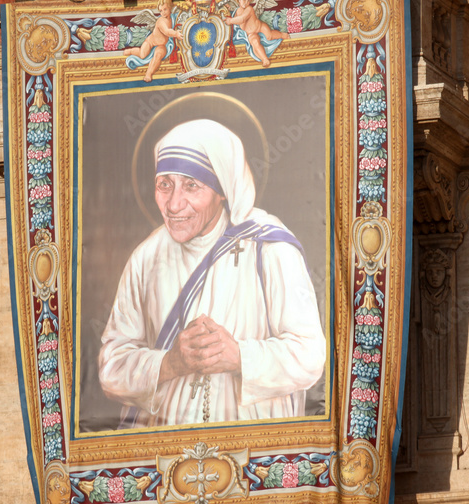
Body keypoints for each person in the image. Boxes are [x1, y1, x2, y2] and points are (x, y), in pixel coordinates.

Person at [98, 119, 326, 428]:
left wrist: (239, 357)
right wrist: (169, 363)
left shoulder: (269, 246)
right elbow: (111, 368)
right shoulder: (145, 258)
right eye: (165, 184)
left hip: (255, 449)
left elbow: (310, 355)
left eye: (192, 185)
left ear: (222, 190)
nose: (174, 204)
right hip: (166, 454)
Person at [123, 0, 184, 82]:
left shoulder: (173, 18)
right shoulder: (161, 21)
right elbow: (167, 31)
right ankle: (131, 51)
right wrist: (176, 34)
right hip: (150, 42)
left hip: (162, 45)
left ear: (170, 8)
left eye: (165, 9)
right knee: (142, 54)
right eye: (160, 11)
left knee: (158, 55)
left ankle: (149, 73)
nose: (163, 12)